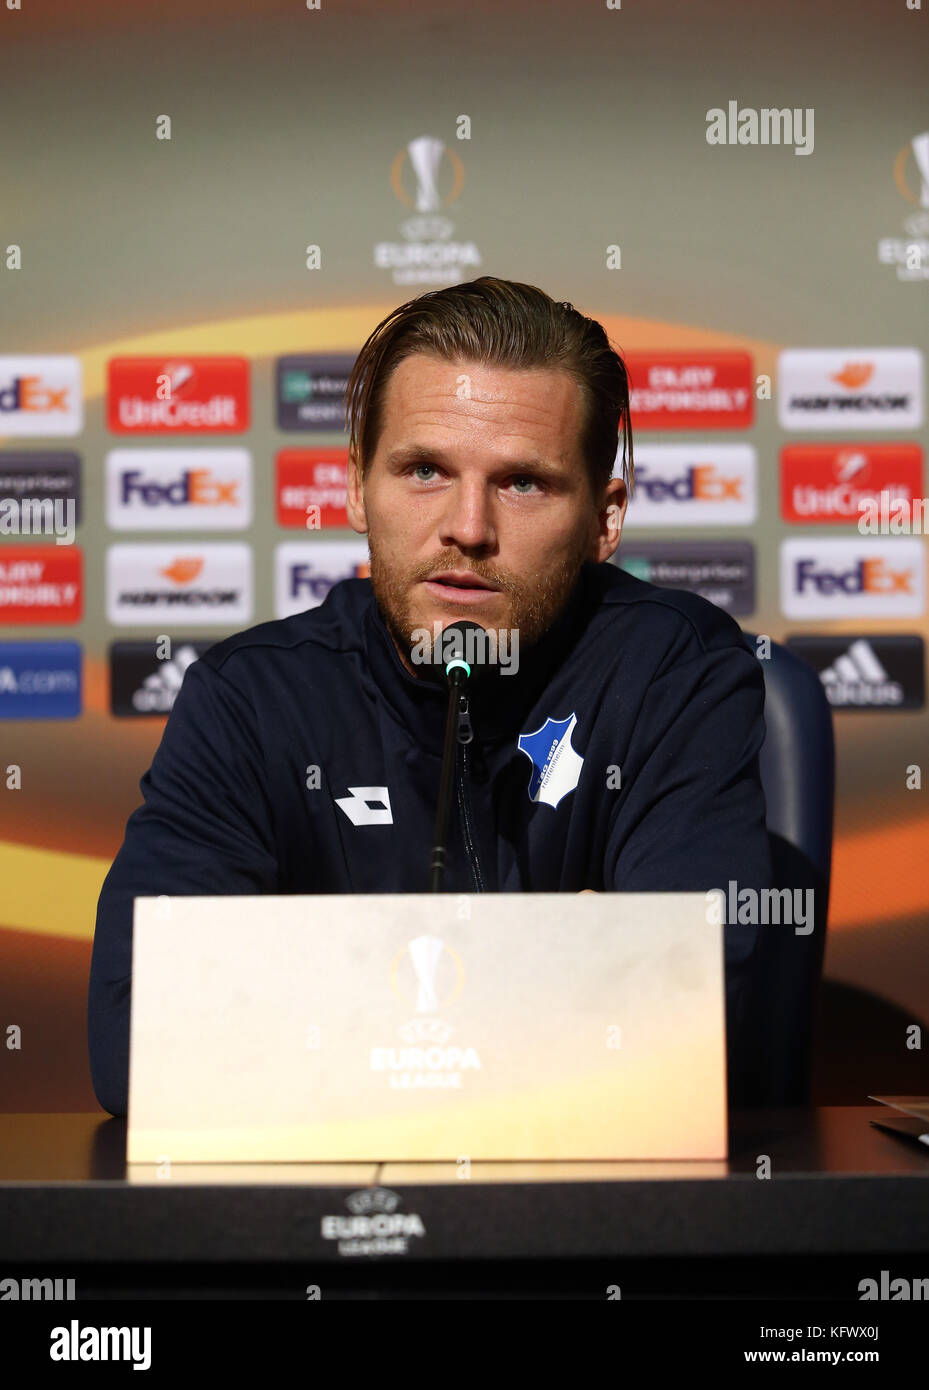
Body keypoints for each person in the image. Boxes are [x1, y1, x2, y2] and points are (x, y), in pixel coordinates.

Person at [88, 275, 771, 1118]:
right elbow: (137, 1040)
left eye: (523, 483)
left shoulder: (675, 674)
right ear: (355, 488)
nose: (468, 528)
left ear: (604, 519)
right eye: (423, 470)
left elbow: (694, 1027)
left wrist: (283, 986)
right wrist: (571, 958)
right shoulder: (252, 700)